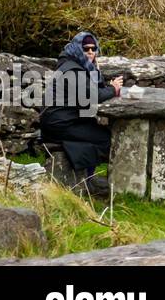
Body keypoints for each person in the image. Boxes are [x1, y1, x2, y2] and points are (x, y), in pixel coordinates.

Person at [39, 31, 123, 197]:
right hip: (60, 125)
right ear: (78, 49)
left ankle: (87, 179)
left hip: (61, 121)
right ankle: (86, 181)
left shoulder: (74, 63)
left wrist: (95, 69)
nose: (91, 52)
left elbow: (93, 88)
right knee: (106, 139)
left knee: (98, 130)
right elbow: (93, 96)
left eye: (94, 49)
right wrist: (113, 89)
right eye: (86, 49)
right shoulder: (73, 69)